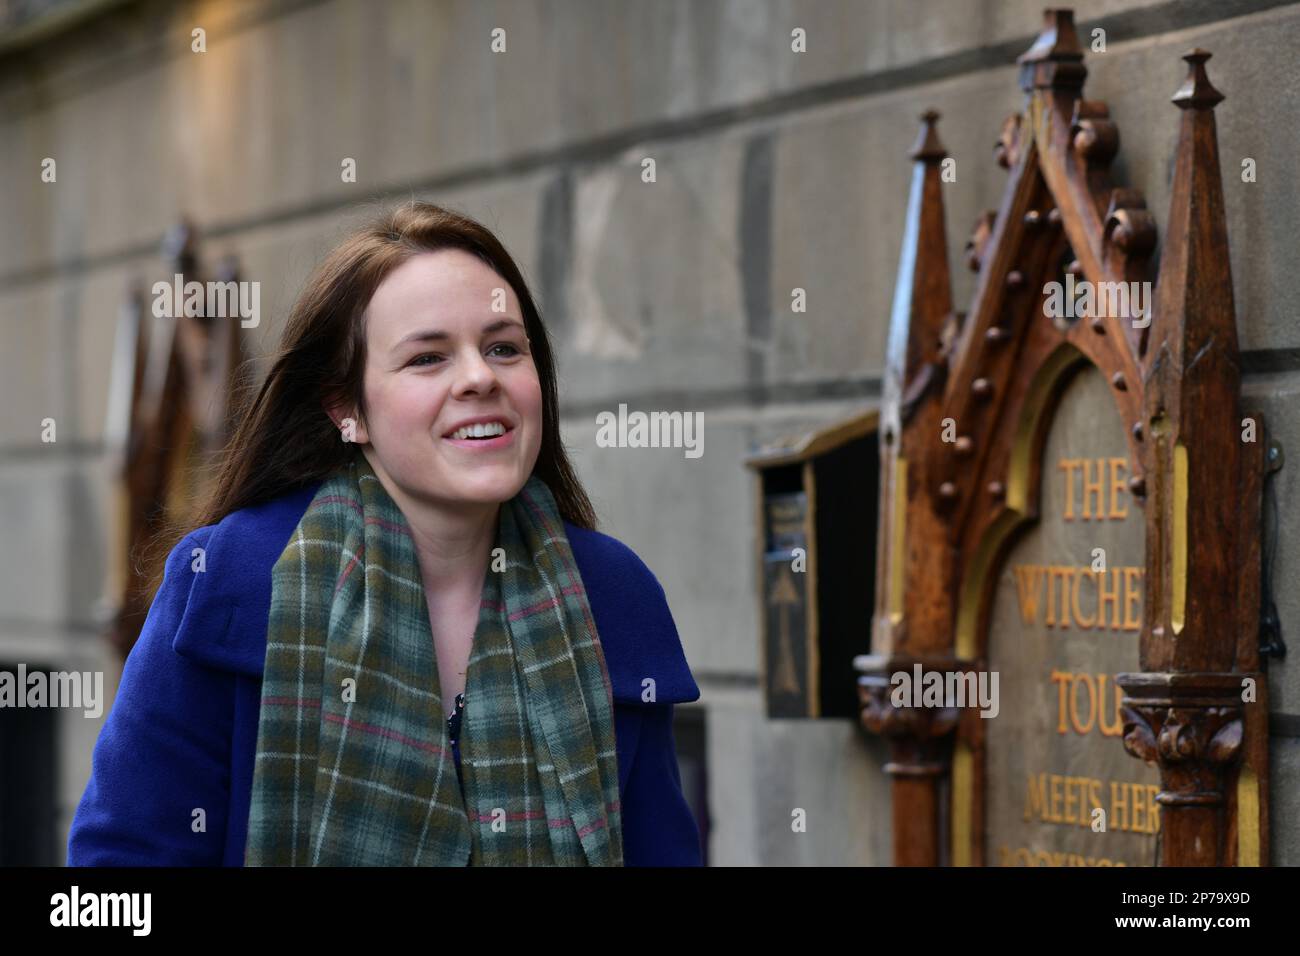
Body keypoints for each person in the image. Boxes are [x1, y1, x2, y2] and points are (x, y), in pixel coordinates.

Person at [68, 201, 702, 866]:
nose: (481, 377)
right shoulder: (231, 580)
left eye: (503, 348)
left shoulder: (612, 596)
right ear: (347, 409)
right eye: (428, 357)